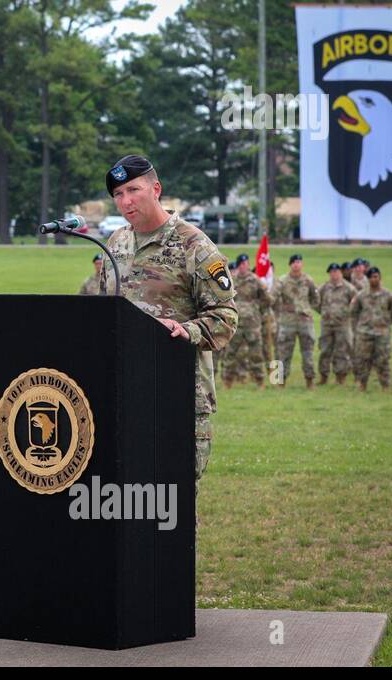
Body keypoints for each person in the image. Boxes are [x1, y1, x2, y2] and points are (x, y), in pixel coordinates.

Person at [97, 155, 237, 491]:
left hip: (179, 394)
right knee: (127, 500)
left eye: (134, 190)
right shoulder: (115, 244)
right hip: (126, 392)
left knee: (175, 504)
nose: (126, 201)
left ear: (156, 189)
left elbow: (226, 317)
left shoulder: (194, 246)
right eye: (118, 194)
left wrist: (185, 331)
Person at [351, 267, 392, 391]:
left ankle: (385, 385)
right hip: (364, 333)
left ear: (380, 278)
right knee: (363, 360)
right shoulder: (361, 295)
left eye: (376, 277)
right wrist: (360, 326)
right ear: (368, 279)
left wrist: (386, 322)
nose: (374, 279)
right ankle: (362, 384)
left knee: (383, 360)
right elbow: (354, 312)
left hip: (382, 333)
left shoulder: (388, 295)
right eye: (371, 277)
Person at [223, 253, 269, 388]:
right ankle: (227, 381)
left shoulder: (255, 280)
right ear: (238, 266)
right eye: (242, 264)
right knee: (230, 352)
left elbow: (267, 299)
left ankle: (260, 381)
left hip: (252, 324)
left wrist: (255, 309)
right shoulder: (231, 280)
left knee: (256, 353)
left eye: (247, 264)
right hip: (235, 323)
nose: (245, 266)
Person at [274, 253, 319, 388]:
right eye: (294, 262)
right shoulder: (282, 281)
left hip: (305, 321)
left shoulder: (308, 280)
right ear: (290, 265)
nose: (296, 264)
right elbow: (273, 296)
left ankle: (310, 381)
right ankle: (279, 382)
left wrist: (306, 308)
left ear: (302, 264)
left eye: (299, 262)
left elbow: (316, 299)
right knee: (283, 352)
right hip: (287, 321)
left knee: (308, 353)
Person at [315, 261, 357, 385]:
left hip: (342, 325)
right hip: (327, 324)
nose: (334, 274)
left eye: (337, 272)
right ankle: (323, 376)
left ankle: (340, 376)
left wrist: (347, 313)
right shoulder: (324, 287)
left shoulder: (349, 288)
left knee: (342, 351)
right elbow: (316, 301)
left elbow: (357, 303)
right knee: (325, 350)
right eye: (332, 272)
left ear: (341, 273)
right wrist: (323, 312)